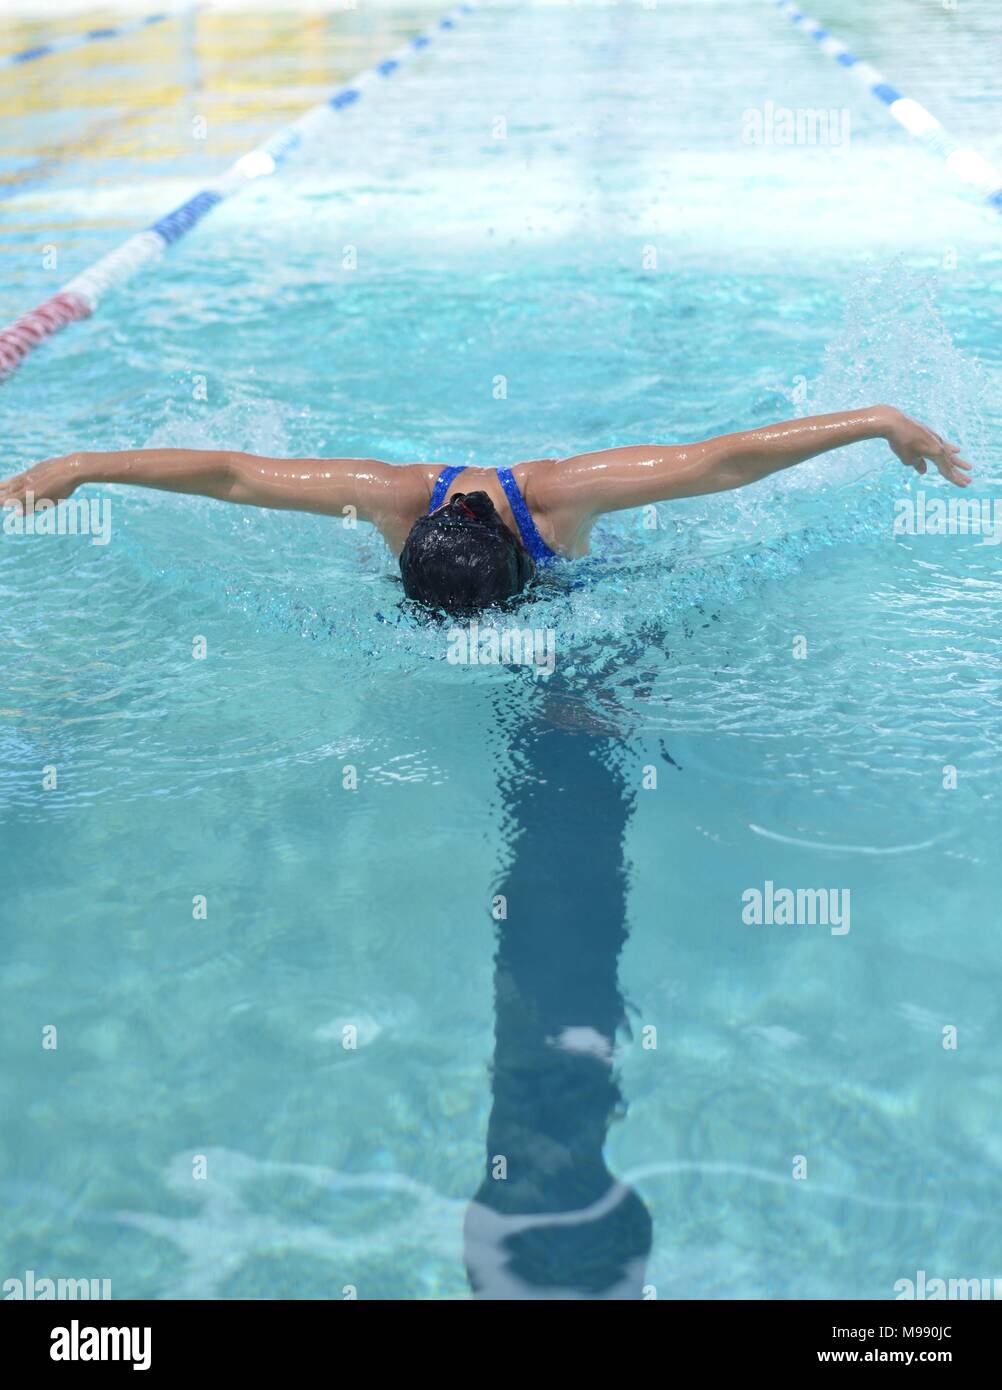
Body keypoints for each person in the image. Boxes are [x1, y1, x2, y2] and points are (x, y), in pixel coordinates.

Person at [1, 405, 971, 612]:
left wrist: (879, 421)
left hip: (600, 581)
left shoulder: (562, 496)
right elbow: (235, 474)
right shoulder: (388, 499)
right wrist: (80, 466)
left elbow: (720, 466)